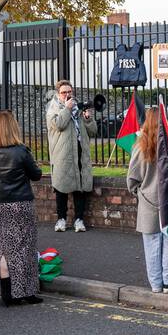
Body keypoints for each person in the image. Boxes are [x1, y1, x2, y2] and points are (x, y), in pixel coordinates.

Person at [0, 110, 44, 306]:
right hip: (20, 203)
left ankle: (7, 294)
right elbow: (36, 175)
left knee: (3, 249)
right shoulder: (21, 151)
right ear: (12, 127)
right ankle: (27, 292)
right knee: (25, 247)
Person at [127, 108, 168, 293]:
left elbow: (132, 180)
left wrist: (141, 194)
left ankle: (156, 284)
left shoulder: (139, 147)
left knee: (152, 243)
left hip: (148, 202)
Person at [46, 79, 97, 232]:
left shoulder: (79, 110)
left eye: (69, 92)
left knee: (80, 188)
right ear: (58, 94)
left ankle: (79, 220)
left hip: (80, 153)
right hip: (62, 155)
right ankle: (61, 219)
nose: (67, 95)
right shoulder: (52, 109)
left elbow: (93, 131)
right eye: (64, 92)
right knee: (61, 187)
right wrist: (67, 109)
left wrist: (88, 119)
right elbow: (59, 124)